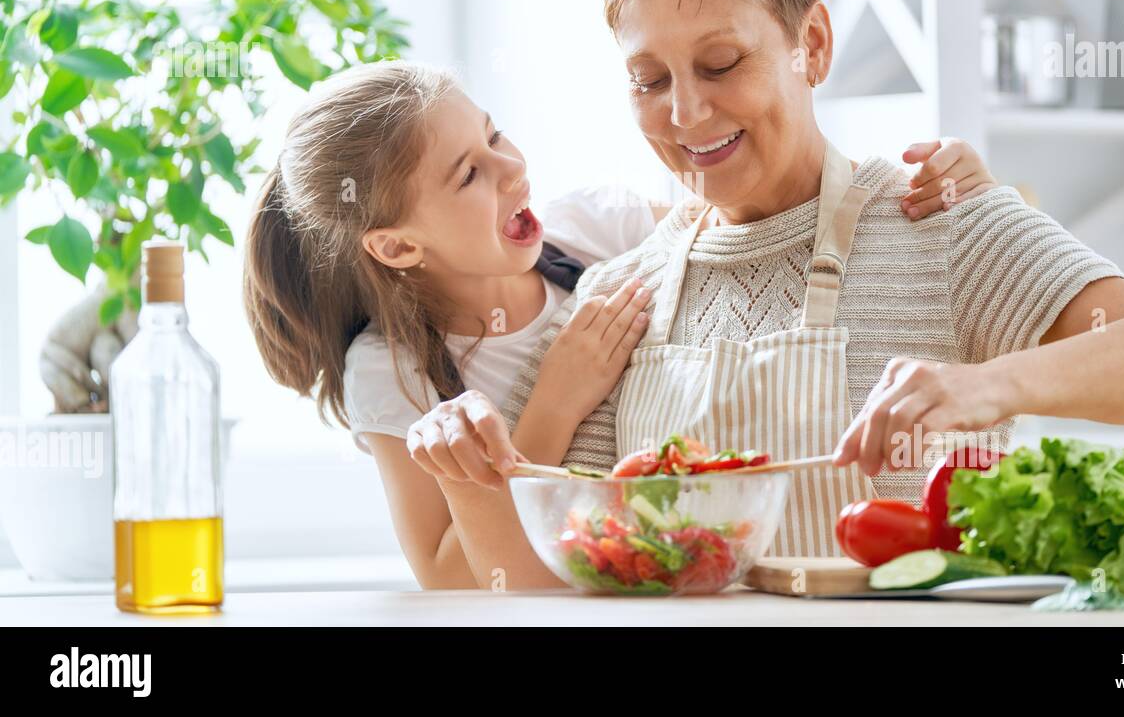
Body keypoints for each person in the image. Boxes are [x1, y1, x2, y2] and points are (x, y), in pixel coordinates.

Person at [413, 0, 1124, 587]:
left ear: (811, 45)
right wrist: (468, 464)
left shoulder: (938, 221)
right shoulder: (617, 298)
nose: (686, 113)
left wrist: (988, 385)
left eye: (722, 62)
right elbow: (559, 583)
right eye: (650, 80)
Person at [242, 59, 996, 586]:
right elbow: (449, 572)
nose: (513, 168)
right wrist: (555, 402)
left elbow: (770, 223)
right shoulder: (396, 366)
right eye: (469, 174)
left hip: (669, 581)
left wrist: (918, 187)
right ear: (399, 245)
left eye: (495, 136)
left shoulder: (592, 230)